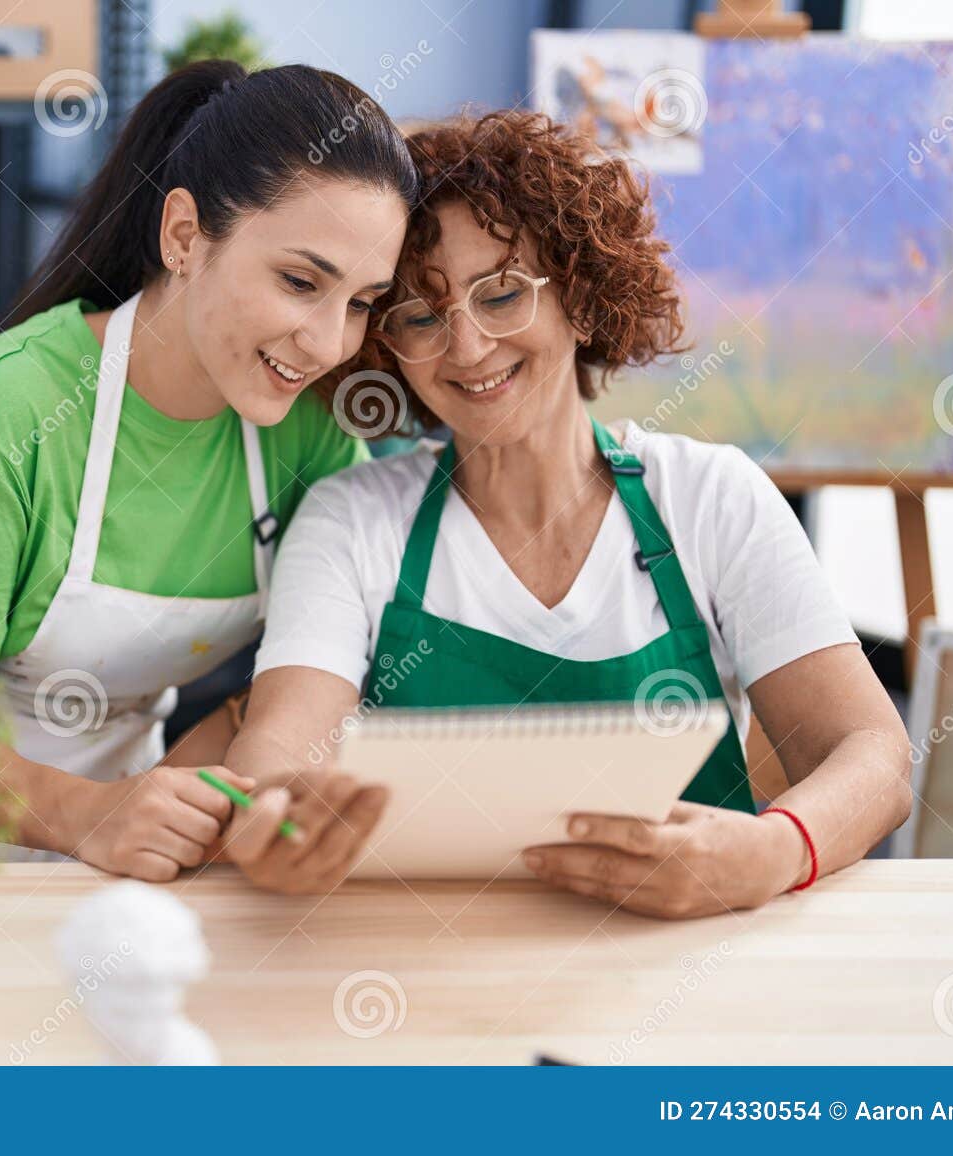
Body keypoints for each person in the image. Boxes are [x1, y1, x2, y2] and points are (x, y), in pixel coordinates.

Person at [219, 112, 912, 914]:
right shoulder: (353, 519)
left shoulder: (712, 498)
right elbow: (277, 748)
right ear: (387, 345)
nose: (468, 346)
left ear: (581, 298)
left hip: (683, 976)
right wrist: (272, 824)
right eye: (420, 313)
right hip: (418, 978)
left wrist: (775, 851)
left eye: (504, 293)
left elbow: (873, 754)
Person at [0, 61, 416, 879]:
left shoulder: (306, 433)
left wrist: (203, 792)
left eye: (360, 302)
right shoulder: (3, 418)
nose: (328, 343)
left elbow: (309, 670)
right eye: (300, 281)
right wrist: (83, 816)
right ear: (182, 236)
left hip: (137, 855)